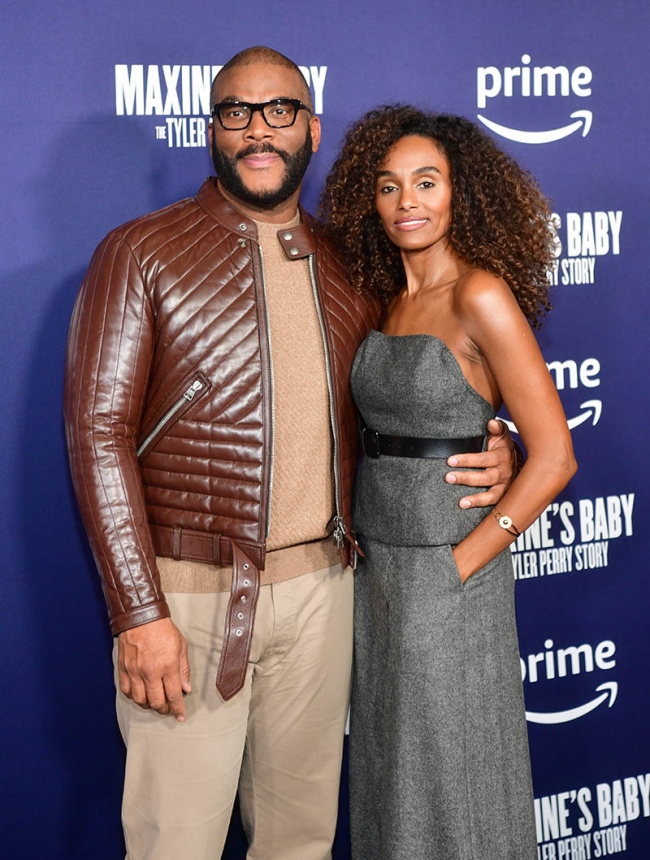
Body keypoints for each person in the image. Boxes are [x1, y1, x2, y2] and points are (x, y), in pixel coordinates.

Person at [64, 50, 518, 860]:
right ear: (213, 133)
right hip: (193, 601)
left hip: (325, 595)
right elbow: (97, 434)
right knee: (177, 846)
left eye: (279, 111)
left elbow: (413, 388)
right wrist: (139, 610)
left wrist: (495, 442)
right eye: (237, 112)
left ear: (311, 129)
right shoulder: (140, 251)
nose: (259, 130)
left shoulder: (356, 264)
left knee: (302, 843)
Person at [321, 105, 577, 860]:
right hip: (377, 576)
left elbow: (556, 455)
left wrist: (464, 562)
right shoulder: (386, 303)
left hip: (449, 574)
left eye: (426, 183)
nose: (408, 203)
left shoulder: (480, 295)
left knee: (451, 777)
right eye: (389, 186)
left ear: (459, 191)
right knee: (386, 775)